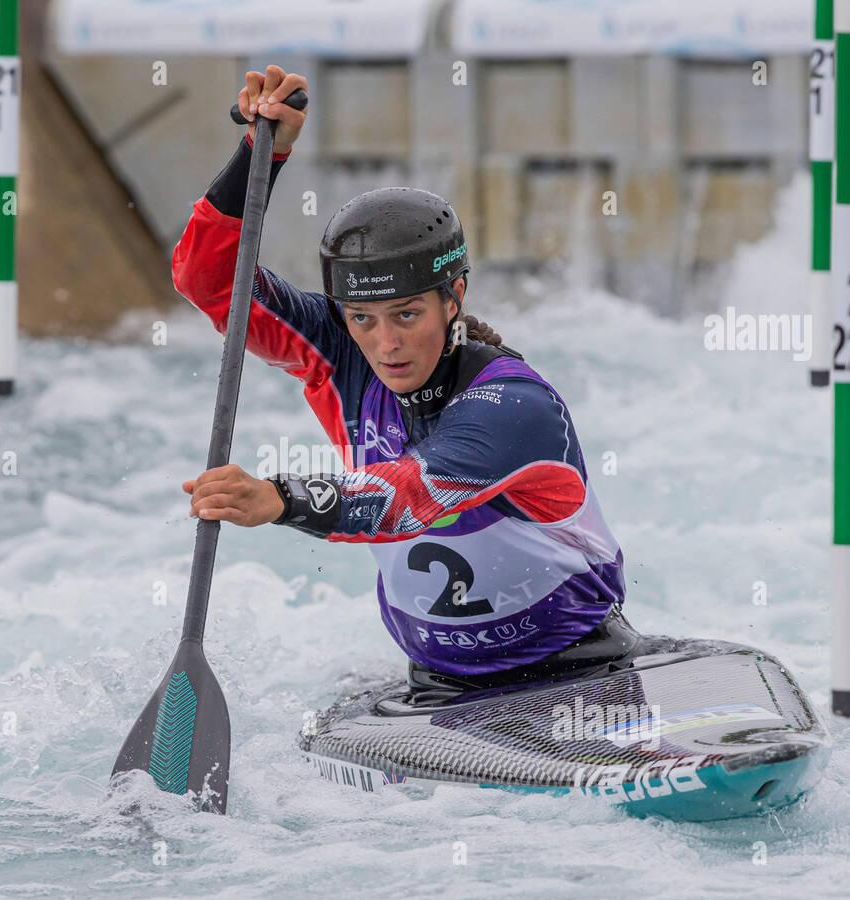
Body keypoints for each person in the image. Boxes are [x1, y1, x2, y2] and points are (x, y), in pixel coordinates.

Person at [174, 66, 640, 705]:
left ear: (456, 298)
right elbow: (210, 281)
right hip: (434, 692)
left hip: (581, 677)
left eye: (407, 315)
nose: (385, 344)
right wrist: (261, 153)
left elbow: (408, 496)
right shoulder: (338, 355)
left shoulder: (517, 407)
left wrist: (279, 498)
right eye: (363, 318)